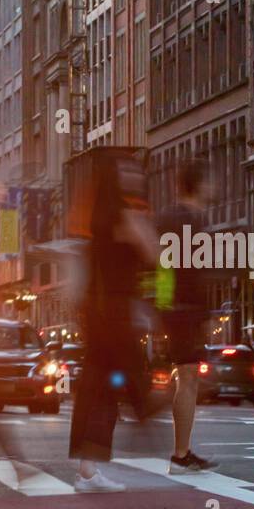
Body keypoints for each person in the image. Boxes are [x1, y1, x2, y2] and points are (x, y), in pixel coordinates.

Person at [68, 153, 162, 491]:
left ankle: (87, 469)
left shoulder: (98, 219)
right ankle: (144, 403)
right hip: (114, 315)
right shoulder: (125, 216)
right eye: (128, 171)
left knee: (98, 392)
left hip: (99, 315)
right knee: (116, 387)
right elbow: (153, 253)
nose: (135, 176)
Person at [155, 160, 218, 474]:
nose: (213, 187)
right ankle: (180, 453)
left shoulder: (173, 216)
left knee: (187, 375)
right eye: (209, 181)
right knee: (188, 377)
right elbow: (188, 271)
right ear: (198, 185)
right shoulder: (187, 219)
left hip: (176, 308)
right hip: (183, 309)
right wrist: (197, 313)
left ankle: (182, 451)